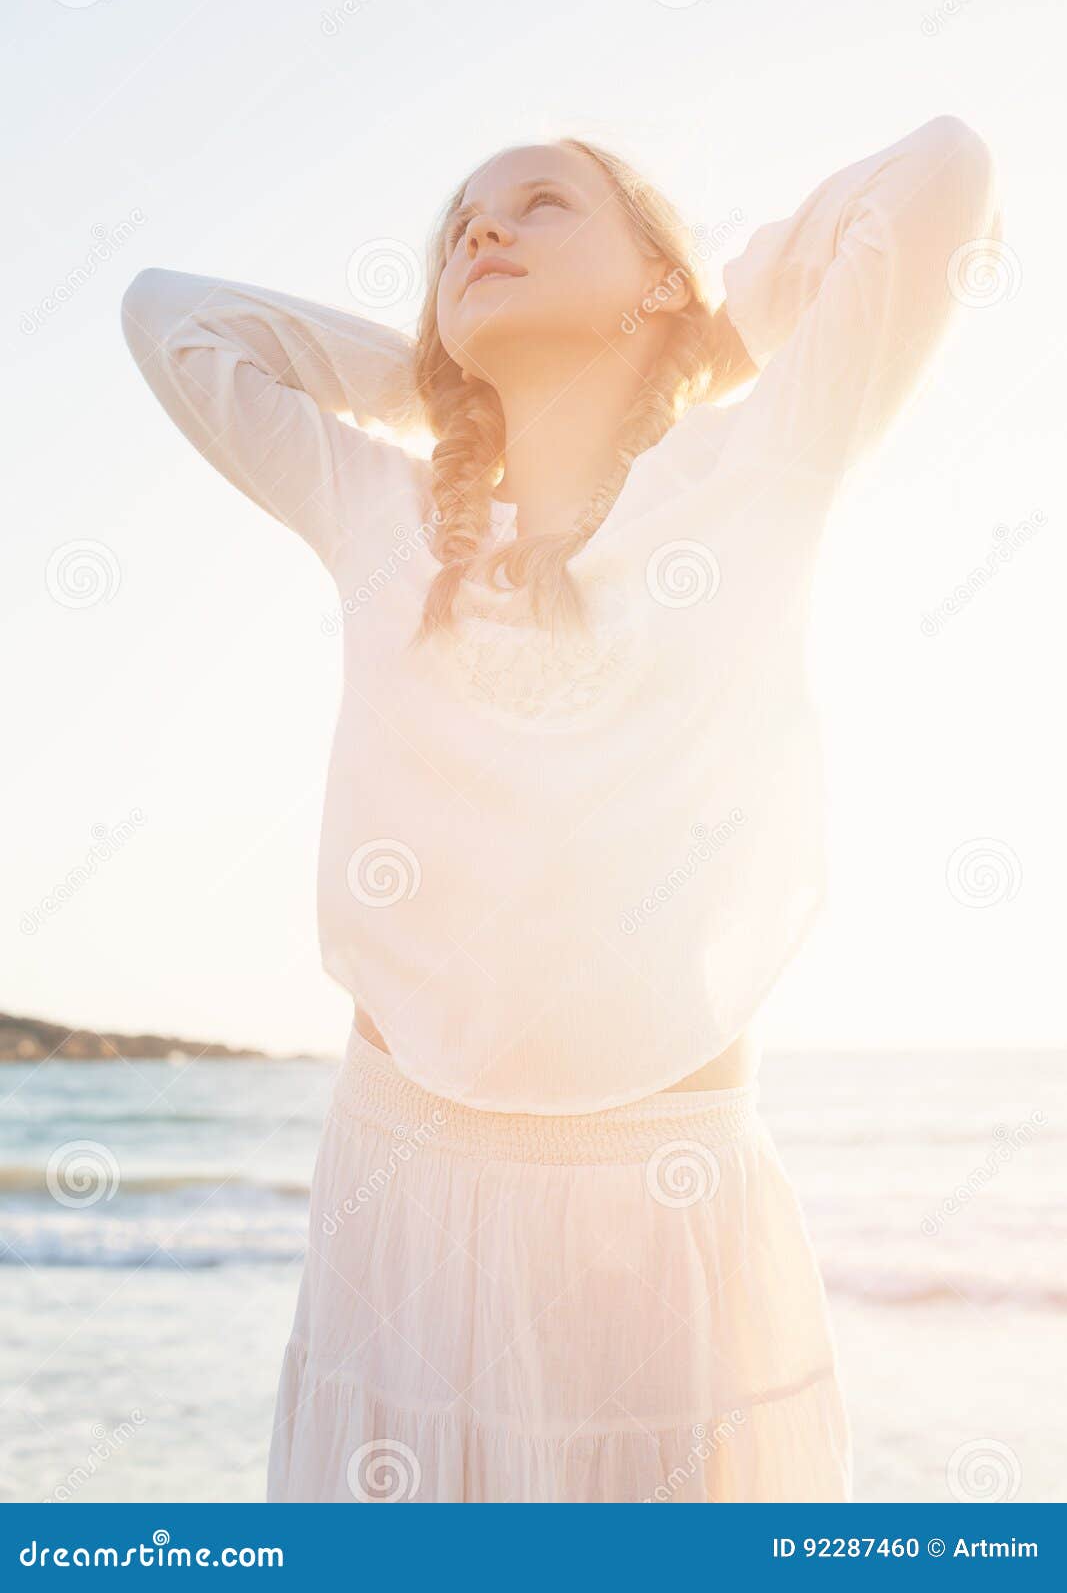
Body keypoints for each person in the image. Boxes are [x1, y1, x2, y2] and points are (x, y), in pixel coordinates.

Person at [120, 112, 1000, 1502]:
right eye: (462, 221)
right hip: (401, 1196)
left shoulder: (759, 465)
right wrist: (439, 376)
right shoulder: (386, 508)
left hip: (665, 1213)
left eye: (541, 205)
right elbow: (172, 320)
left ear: (661, 276)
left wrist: (711, 331)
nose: (484, 229)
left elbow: (943, 174)